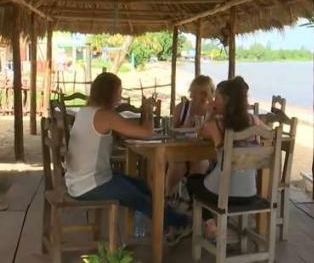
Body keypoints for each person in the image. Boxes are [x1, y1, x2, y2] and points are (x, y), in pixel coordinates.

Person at [65, 72, 190, 244]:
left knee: (144, 186)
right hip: (90, 185)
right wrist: (147, 109)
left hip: (78, 180)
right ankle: (182, 223)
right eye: (118, 92)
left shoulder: (84, 111)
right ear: (109, 94)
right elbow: (147, 132)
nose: (120, 96)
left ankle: (168, 221)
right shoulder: (105, 115)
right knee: (140, 199)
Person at [186, 76, 267, 239]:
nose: (213, 101)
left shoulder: (214, 125)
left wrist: (210, 112)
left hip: (222, 195)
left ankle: (210, 223)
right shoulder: (254, 120)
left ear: (226, 101)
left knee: (192, 181)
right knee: (207, 177)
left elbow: (200, 131)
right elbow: (270, 132)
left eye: (216, 98)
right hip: (250, 194)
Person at [165, 75, 215, 196]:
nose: (203, 97)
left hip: (203, 153)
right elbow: (170, 134)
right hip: (181, 151)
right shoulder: (182, 108)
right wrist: (185, 127)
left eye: (206, 93)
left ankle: (194, 199)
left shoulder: (212, 111)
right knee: (177, 164)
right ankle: (167, 196)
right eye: (200, 93)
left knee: (200, 163)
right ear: (192, 93)